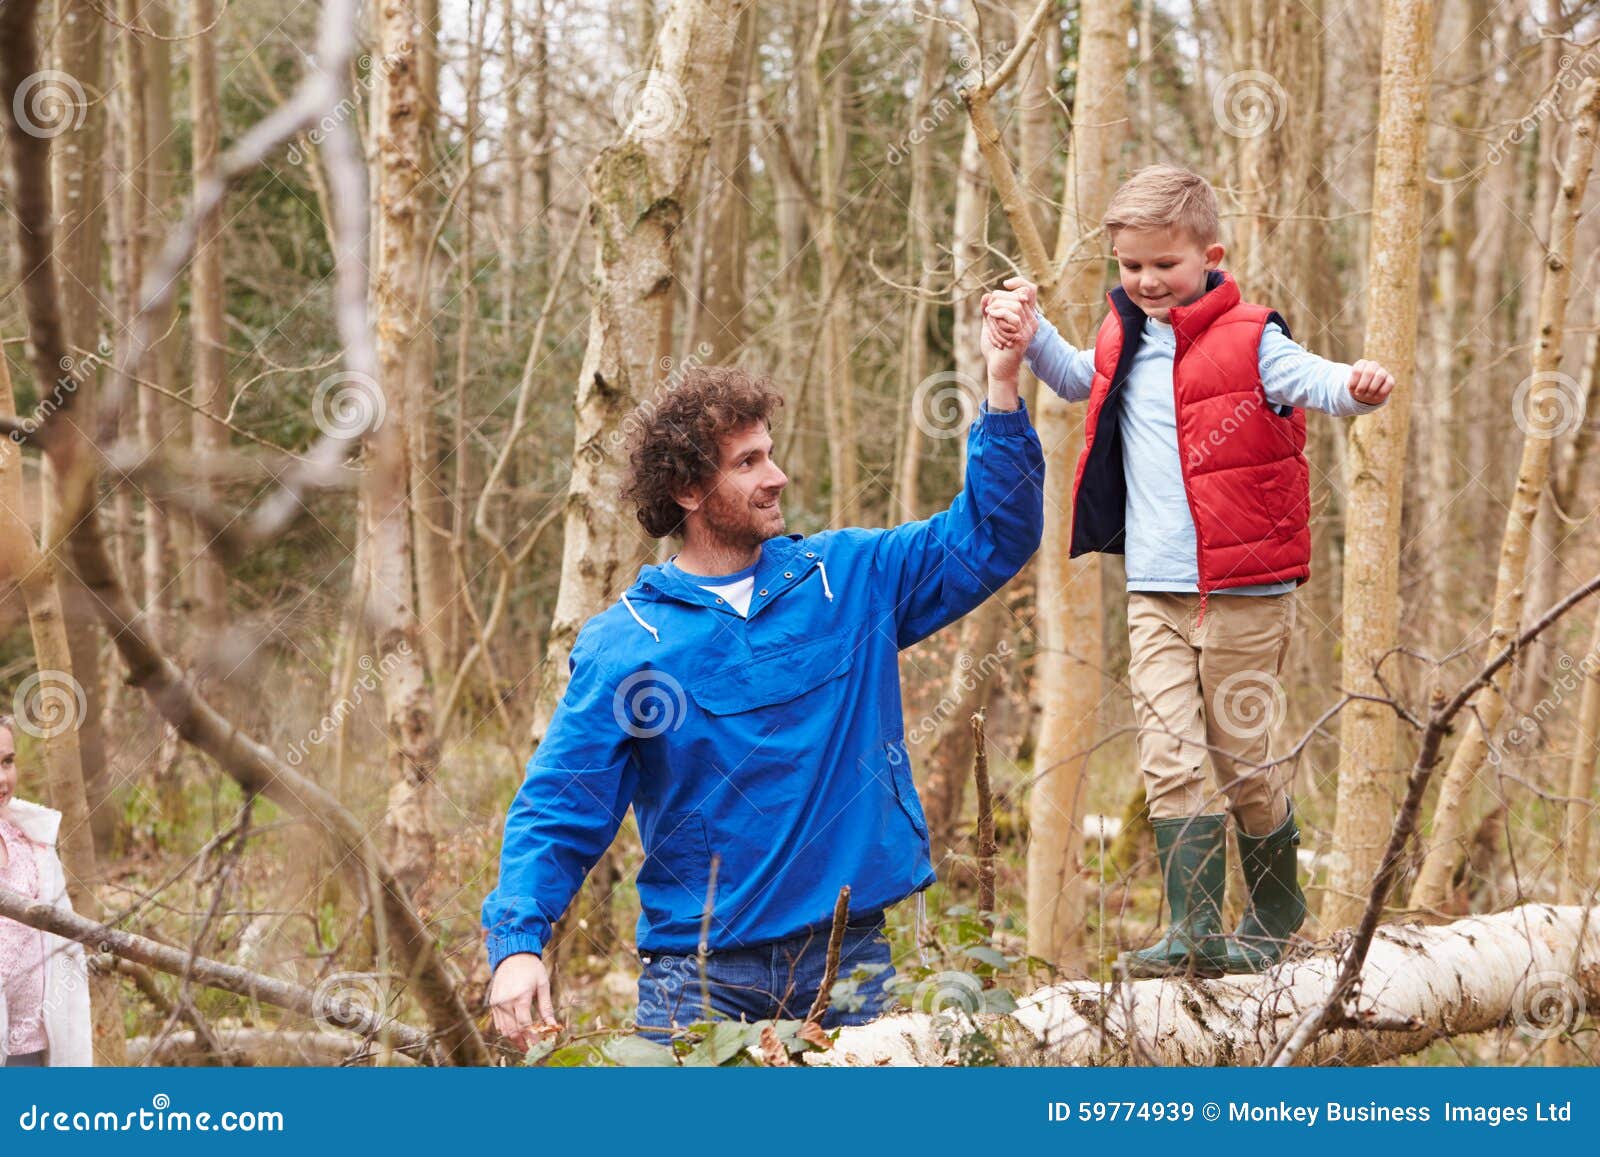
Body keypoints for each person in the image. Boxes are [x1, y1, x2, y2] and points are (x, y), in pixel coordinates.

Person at [483, 352, 1043, 1048]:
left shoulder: (848, 580)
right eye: (747, 462)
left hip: (850, 962)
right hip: (701, 981)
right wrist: (516, 943)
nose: (776, 475)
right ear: (689, 489)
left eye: (770, 454)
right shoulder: (631, 644)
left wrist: (1001, 386)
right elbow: (560, 803)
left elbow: (994, 535)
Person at [984, 164, 1394, 977]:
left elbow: (1309, 378)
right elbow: (1075, 380)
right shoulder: (1118, 336)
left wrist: (1356, 386)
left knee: (1242, 756)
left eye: (1163, 265)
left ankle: (1276, 913)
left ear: (1210, 254)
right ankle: (1196, 930)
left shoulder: (1252, 338)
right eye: (1130, 267)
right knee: (1170, 753)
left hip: (1245, 592)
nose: (1144, 282)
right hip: (1155, 589)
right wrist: (1027, 334)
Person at [0, 713, 93, 1066]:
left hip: (37, 1047)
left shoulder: (31, 841)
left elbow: (65, 946)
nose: (2, 779)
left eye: (7, 762)